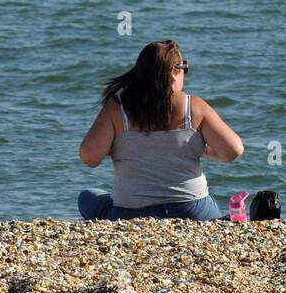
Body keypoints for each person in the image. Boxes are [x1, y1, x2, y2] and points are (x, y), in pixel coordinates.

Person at [77, 40, 243, 219]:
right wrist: (202, 150)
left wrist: (116, 147)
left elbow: (89, 158)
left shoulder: (118, 107)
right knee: (212, 207)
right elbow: (233, 151)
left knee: (87, 197)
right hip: (191, 210)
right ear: (174, 72)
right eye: (184, 68)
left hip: (131, 213)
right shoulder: (192, 106)